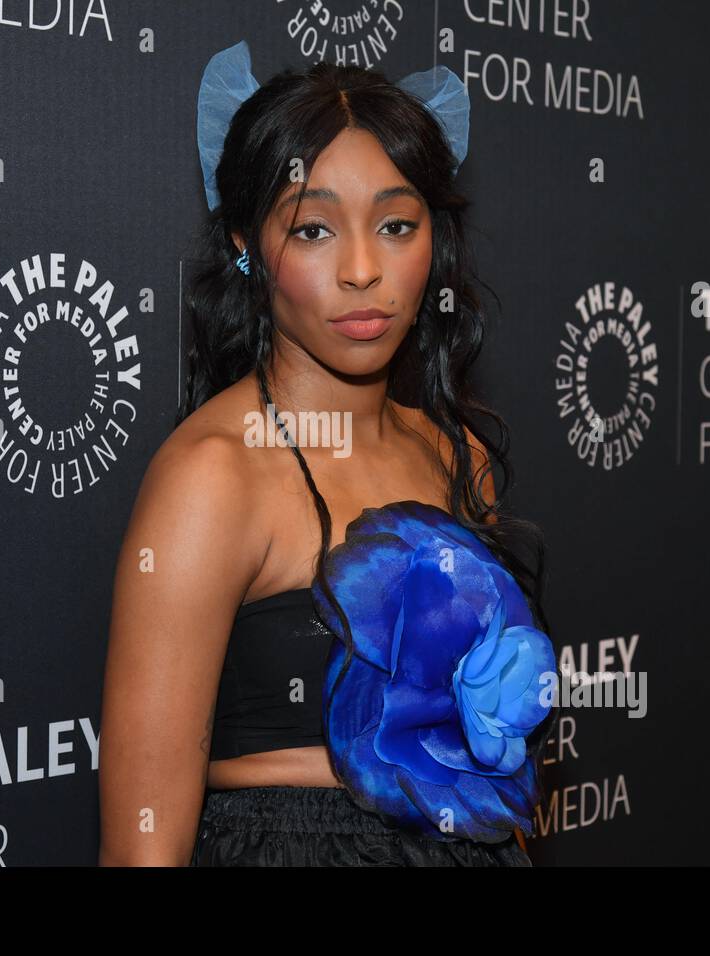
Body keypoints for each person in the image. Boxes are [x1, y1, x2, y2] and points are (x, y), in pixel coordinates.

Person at [98, 41, 557, 867]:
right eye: (312, 228)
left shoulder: (460, 454)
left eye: (396, 225)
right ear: (246, 245)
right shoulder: (213, 476)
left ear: (435, 240)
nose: (361, 270)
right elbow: (141, 851)